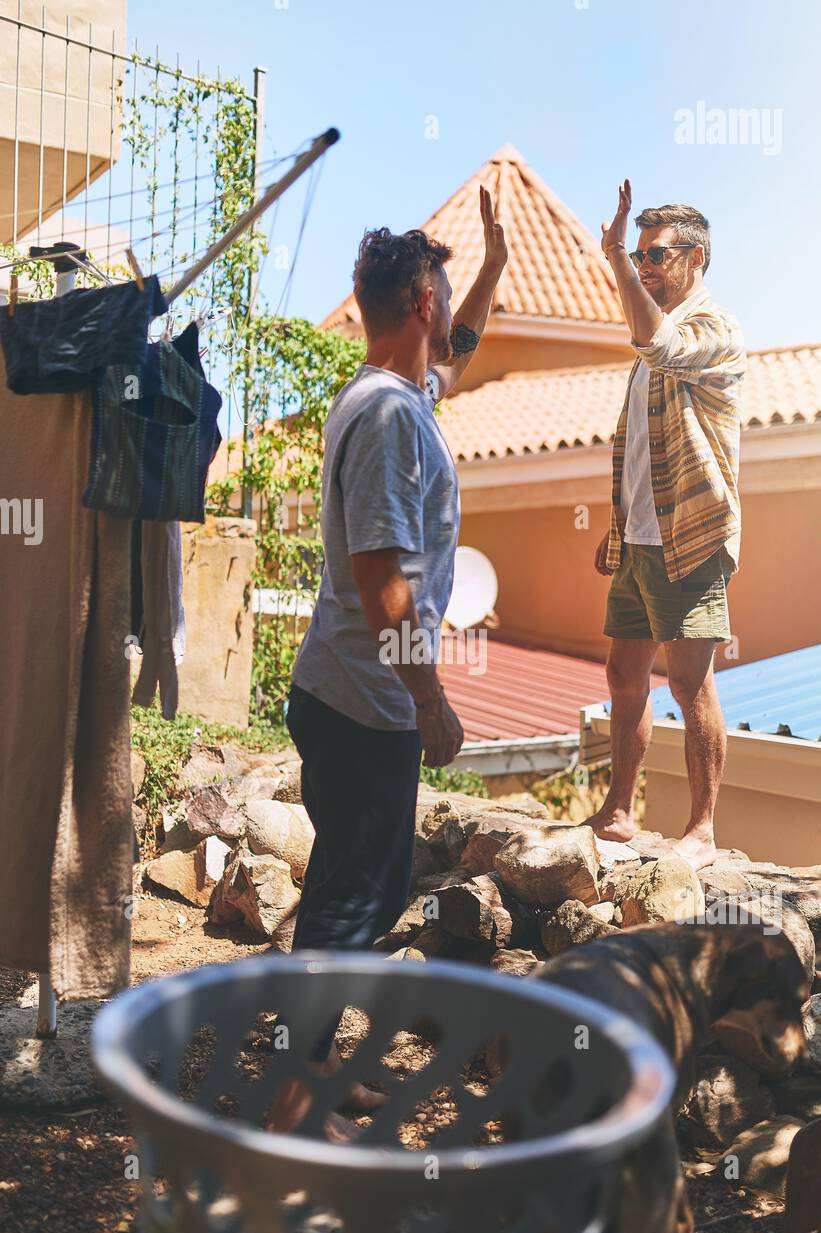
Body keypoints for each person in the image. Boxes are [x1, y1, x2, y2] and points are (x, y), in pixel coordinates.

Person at [267, 189, 508, 1131]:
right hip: (368, 701)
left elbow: (460, 346)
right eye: (445, 295)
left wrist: (485, 264)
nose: (453, 315)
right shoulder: (391, 419)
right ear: (420, 301)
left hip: (349, 694)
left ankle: (319, 1075)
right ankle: (292, 1113)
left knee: (351, 890)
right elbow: (383, 581)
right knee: (346, 912)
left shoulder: (392, 394)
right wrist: (434, 704)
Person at [585, 182, 746, 870]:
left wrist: (614, 258)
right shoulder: (649, 349)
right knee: (625, 673)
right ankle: (620, 810)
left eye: (656, 255)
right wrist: (617, 527)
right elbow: (644, 449)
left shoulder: (713, 330)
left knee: (689, 682)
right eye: (641, 256)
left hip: (691, 542)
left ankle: (702, 830)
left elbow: (656, 340)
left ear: (696, 256)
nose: (646, 266)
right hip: (640, 540)